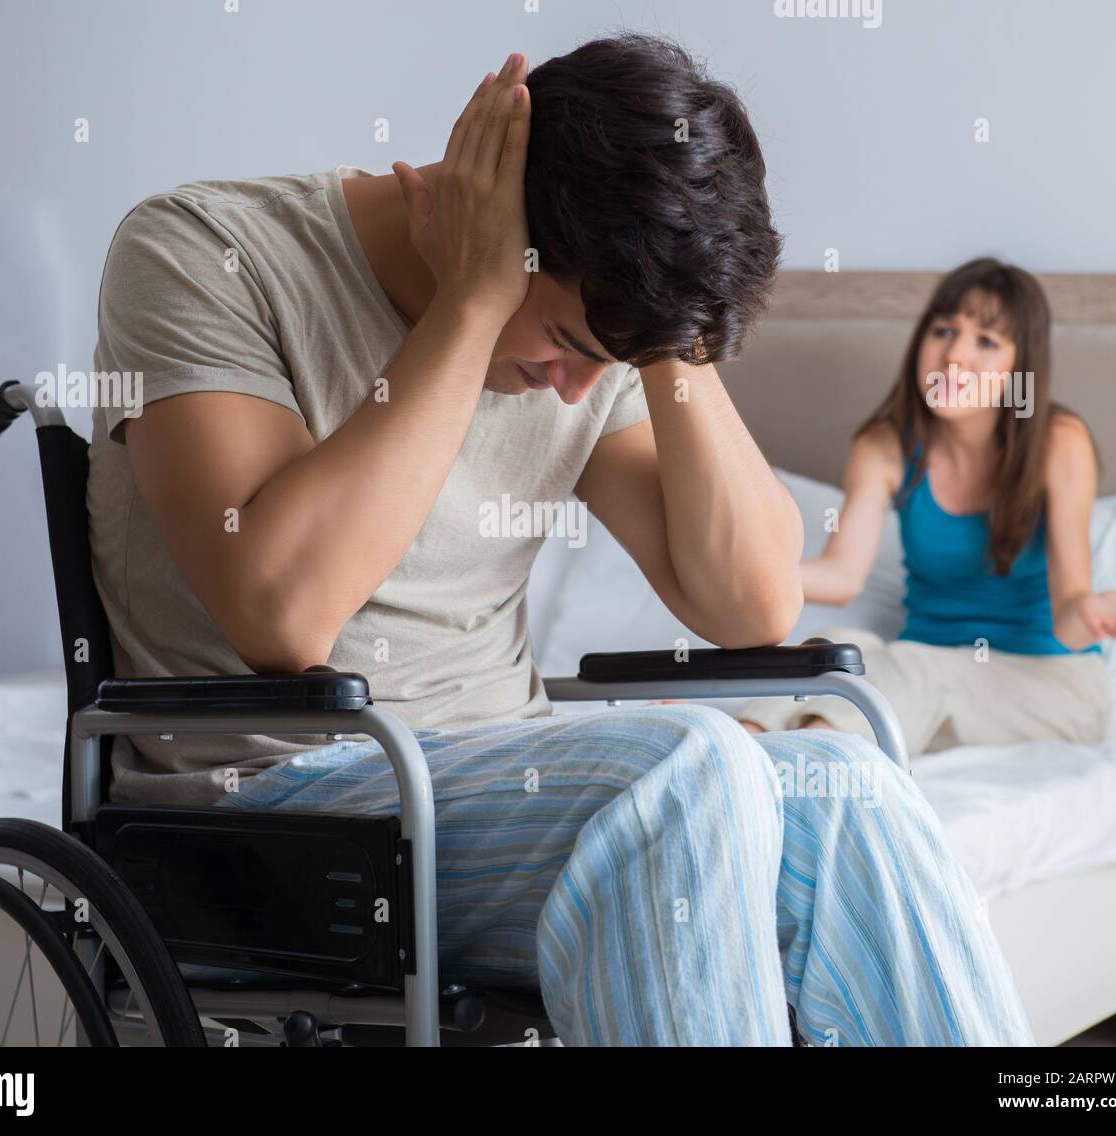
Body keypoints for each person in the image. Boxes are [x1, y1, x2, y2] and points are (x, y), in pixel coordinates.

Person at [86, 34, 1033, 1045]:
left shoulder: (595, 322)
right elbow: (281, 612)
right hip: (276, 810)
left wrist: (669, 342)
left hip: (497, 788)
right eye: (573, 347)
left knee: (844, 781)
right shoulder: (202, 251)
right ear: (498, 221)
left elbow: (751, 602)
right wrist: (469, 301)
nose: (580, 387)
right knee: (690, 764)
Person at [737, 257, 1116, 754]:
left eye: (987, 341)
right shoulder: (884, 446)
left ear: (1020, 368)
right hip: (922, 665)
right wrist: (750, 572)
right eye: (944, 331)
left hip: (1047, 685)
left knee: (915, 669)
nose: (955, 356)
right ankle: (738, 744)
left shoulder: (1058, 441)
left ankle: (815, 758)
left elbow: (1070, 620)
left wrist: (1094, 610)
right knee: (833, 645)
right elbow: (842, 576)